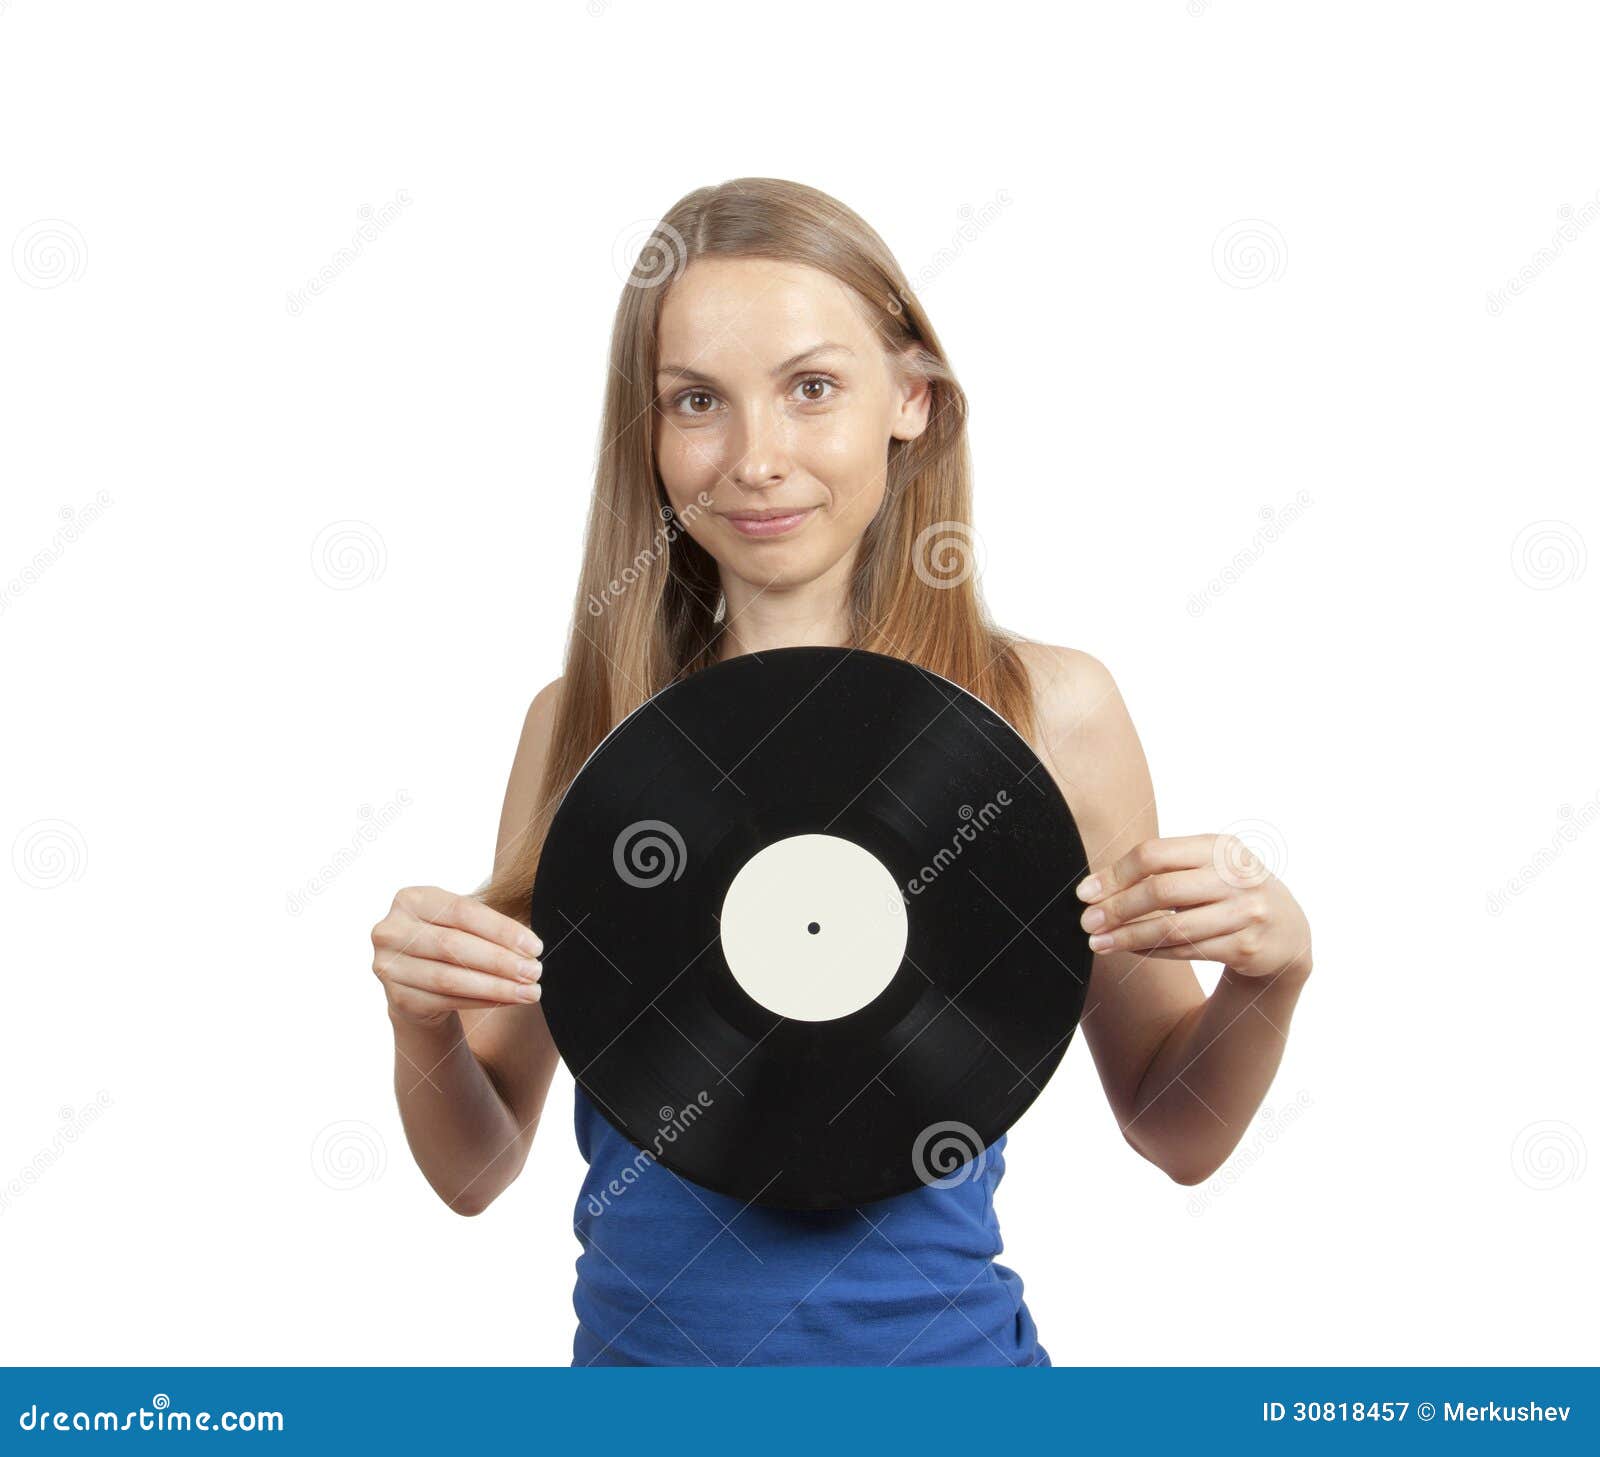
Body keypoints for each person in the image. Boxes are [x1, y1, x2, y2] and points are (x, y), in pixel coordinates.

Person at [369, 178, 1315, 1367]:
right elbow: (476, 1163)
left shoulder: (1044, 712)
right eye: (696, 401)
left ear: (909, 399)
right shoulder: (589, 722)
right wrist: (422, 1023)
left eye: (811, 388)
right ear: (649, 430)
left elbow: (1176, 1129)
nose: (756, 457)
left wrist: (1268, 976)